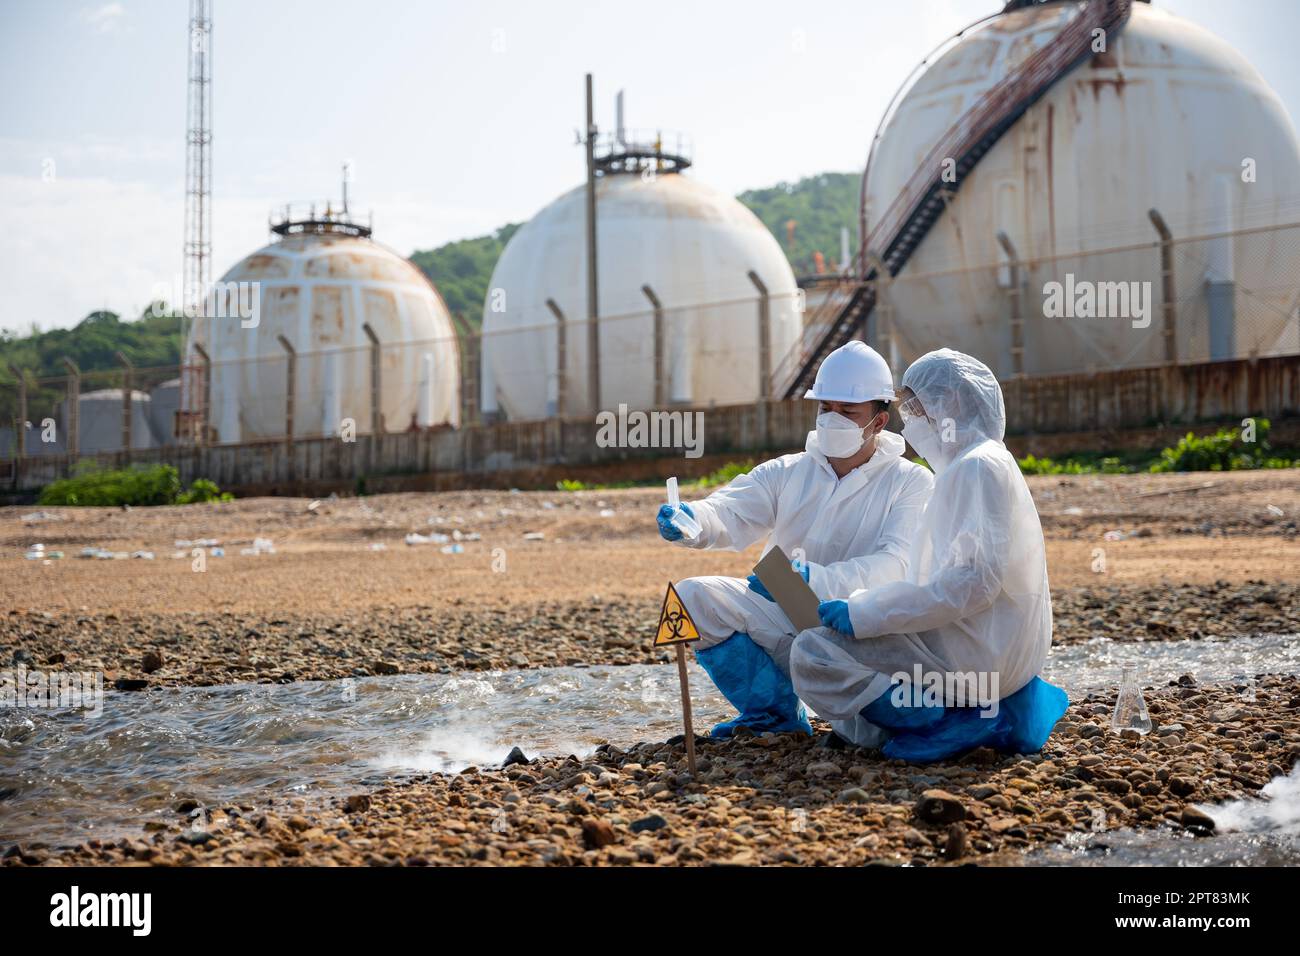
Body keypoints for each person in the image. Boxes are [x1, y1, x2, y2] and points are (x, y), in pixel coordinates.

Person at [790, 348, 1068, 759]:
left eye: (916, 409)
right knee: (861, 715)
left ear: (949, 405)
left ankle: (949, 723)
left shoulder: (975, 468)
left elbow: (971, 584)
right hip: (1001, 648)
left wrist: (863, 613)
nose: (910, 422)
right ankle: (1011, 705)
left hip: (982, 654)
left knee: (813, 651)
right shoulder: (981, 463)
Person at [656, 341, 934, 738]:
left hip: (860, 630)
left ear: (879, 421)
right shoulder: (788, 471)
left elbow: (896, 567)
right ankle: (773, 716)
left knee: (867, 737)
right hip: (786, 607)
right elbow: (731, 511)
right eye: (826, 409)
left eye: (848, 411)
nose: (833, 419)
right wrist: (692, 519)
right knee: (694, 598)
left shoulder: (910, 483)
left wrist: (812, 579)